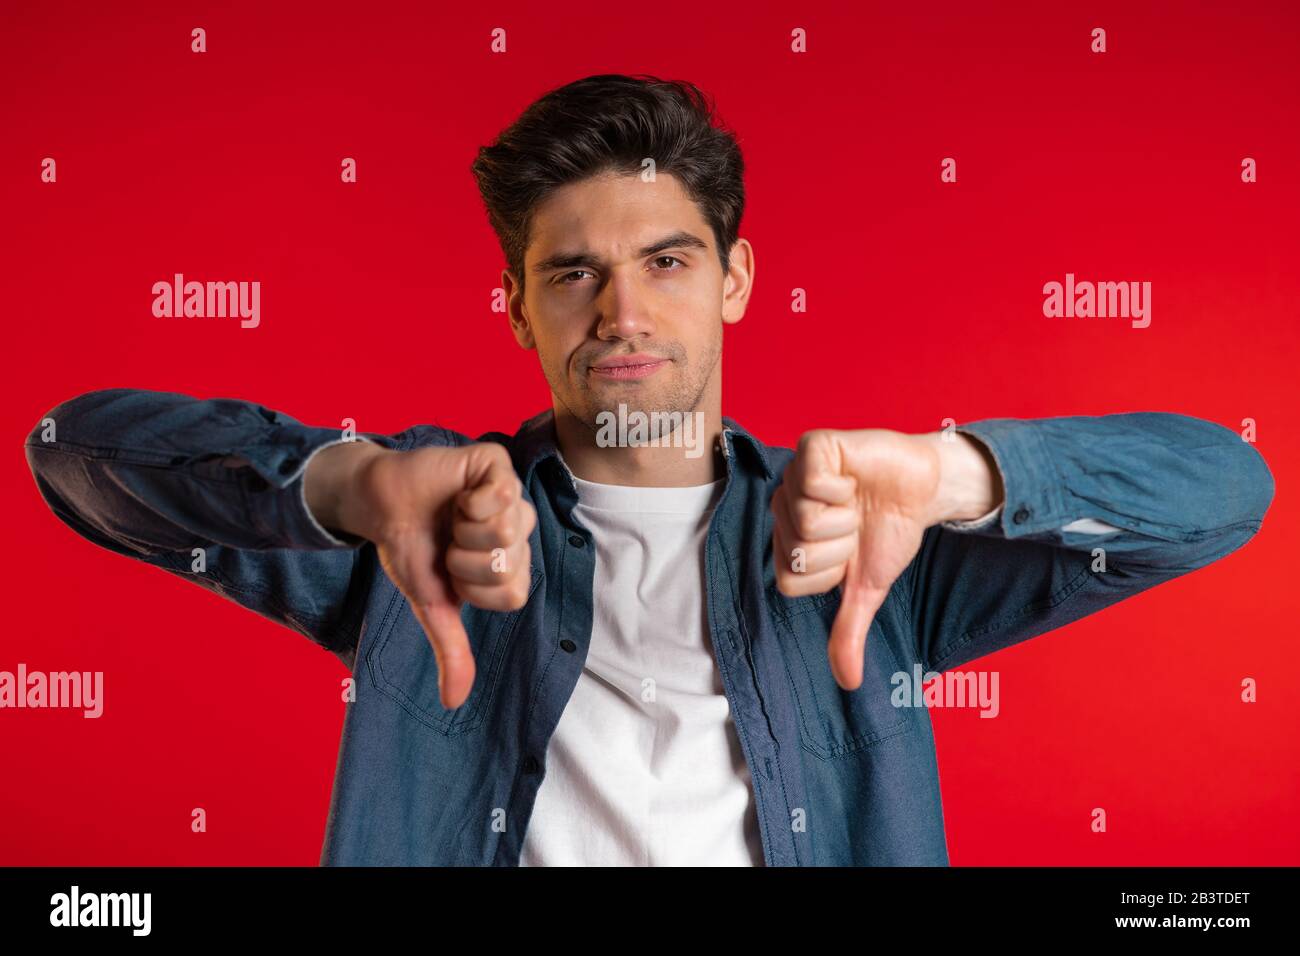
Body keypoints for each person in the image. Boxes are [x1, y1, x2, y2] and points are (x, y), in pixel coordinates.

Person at [24, 74, 1275, 866]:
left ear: (733, 279)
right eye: (572, 273)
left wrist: (959, 472)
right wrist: (339, 485)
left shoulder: (859, 542)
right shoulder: (426, 528)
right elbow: (71, 453)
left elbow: (1225, 489)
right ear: (516, 308)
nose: (621, 310)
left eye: (667, 262)